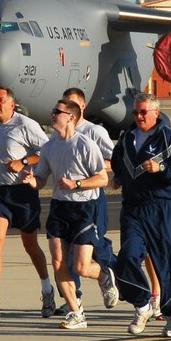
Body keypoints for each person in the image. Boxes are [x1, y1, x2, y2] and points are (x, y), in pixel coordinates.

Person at [21, 99, 116, 330]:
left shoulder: (85, 145)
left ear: (70, 117)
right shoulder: (50, 146)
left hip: (84, 208)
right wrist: (33, 181)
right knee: (58, 260)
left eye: (57, 112)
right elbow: (42, 177)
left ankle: (104, 276)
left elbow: (103, 178)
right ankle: (76, 313)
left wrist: (77, 183)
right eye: (53, 110)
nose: (52, 114)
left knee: (83, 267)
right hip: (59, 207)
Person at [110, 92, 171, 338]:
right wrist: (117, 176)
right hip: (133, 208)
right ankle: (143, 303)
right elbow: (118, 161)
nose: (139, 116)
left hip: (160, 208)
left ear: (156, 113)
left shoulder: (167, 137)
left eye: (143, 112)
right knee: (126, 257)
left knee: (166, 262)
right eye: (135, 112)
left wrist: (162, 167)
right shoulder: (127, 137)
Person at [0, 86, 54, 317]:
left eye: (0, 100)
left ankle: (47, 289)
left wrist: (24, 161)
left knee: (30, 246)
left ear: (12, 104)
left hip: (23, 193)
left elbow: (47, 151)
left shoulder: (26, 125)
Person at [55, 87, 116, 314]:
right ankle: (75, 298)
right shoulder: (58, 133)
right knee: (65, 251)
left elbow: (113, 162)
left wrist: (87, 175)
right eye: (64, 104)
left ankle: (111, 268)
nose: (68, 108)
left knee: (94, 247)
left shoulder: (94, 132)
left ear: (82, 107)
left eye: (73, 104)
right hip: (66, 202)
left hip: (91, 198)